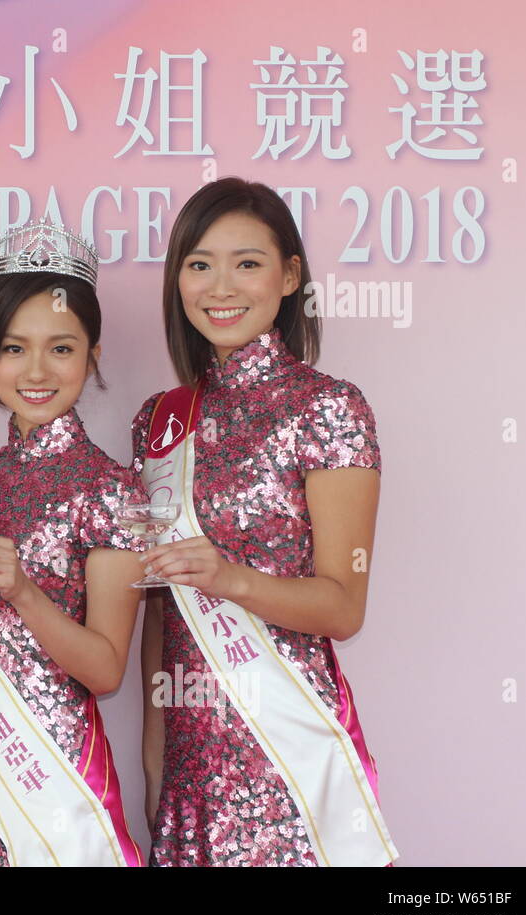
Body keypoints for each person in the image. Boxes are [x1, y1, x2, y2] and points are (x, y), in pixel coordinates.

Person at [133, 177, 399, 866]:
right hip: (191, 767)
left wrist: (229, 578)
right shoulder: (160, 423)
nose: (221, 286)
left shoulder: (328, 410)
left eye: (246, 263)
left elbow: (343, 606)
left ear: (288, 276)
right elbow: (162, 614)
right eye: (200, 265)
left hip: (290, 754)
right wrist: (155, 757)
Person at [0, 218, 147, 866]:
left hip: (58, 789)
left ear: (93, 354)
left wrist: (21, 589)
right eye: (15, 348)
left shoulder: (111, 490)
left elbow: (105, 669)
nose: (36, 369)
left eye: (62, 348)